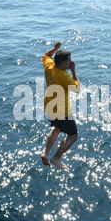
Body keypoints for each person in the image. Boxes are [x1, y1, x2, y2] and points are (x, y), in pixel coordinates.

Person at [41, 41, 80, 169]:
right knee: (73, 136)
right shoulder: (64, 76)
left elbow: (46, 55)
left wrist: (54, 48)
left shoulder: (50, 65)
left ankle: (45, 154)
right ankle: (56, 158)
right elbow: (76, 89)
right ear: (63, 64)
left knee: (57, 128)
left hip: (49, 105)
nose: (71, 62)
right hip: (62, 111)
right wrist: (73, 71)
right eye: (69, 61)